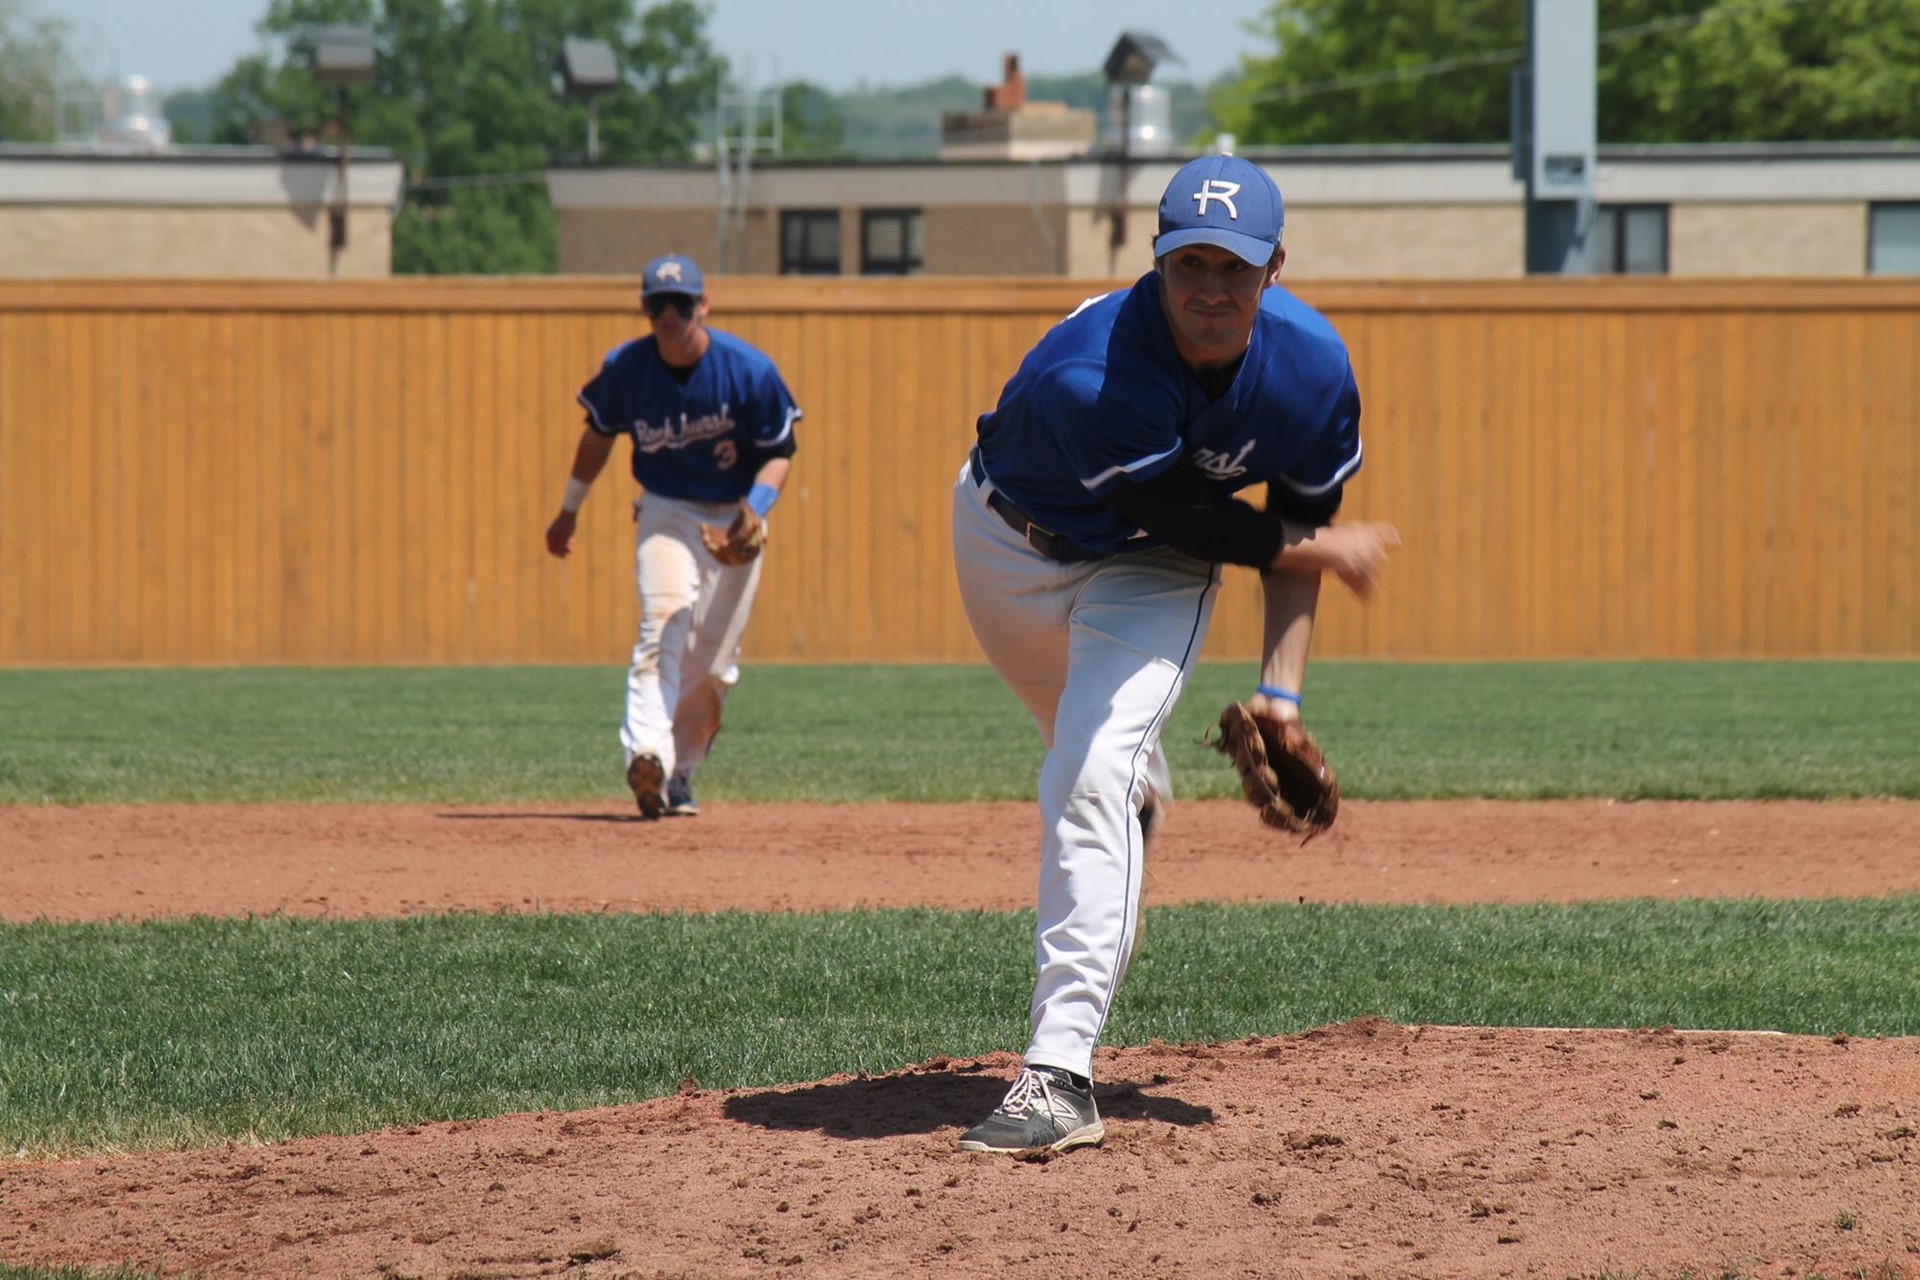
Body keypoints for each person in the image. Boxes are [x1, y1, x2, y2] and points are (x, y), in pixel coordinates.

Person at [950, 155, 1399, 1154]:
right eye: (1188, 262)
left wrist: (1280, 692)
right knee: (1094, 768)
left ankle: (1057, 1073)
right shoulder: (1093, 367)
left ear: (1275, 266)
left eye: (1233, 267)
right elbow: (1188, 512)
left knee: (1087, 773)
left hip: (1150, 572)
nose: (1210, 289)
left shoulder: (1314, 367)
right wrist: (1328, 547)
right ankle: (1133, 800)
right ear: (1155, 262)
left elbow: (1288, 522)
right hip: (1005, 545)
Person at [545, 253, 800, 820]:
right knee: (662, 619)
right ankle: (647, 754)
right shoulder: (627, 369)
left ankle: (678, 774)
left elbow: (779, 453)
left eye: (680, 303)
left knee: (711, 664)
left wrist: (755, 510)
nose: (669, 314)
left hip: (735, 513)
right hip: (666, 511)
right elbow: (598, 435)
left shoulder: (748, 370)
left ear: (702, 306)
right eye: (658, 304)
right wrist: (569, 510)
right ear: (644, 309)